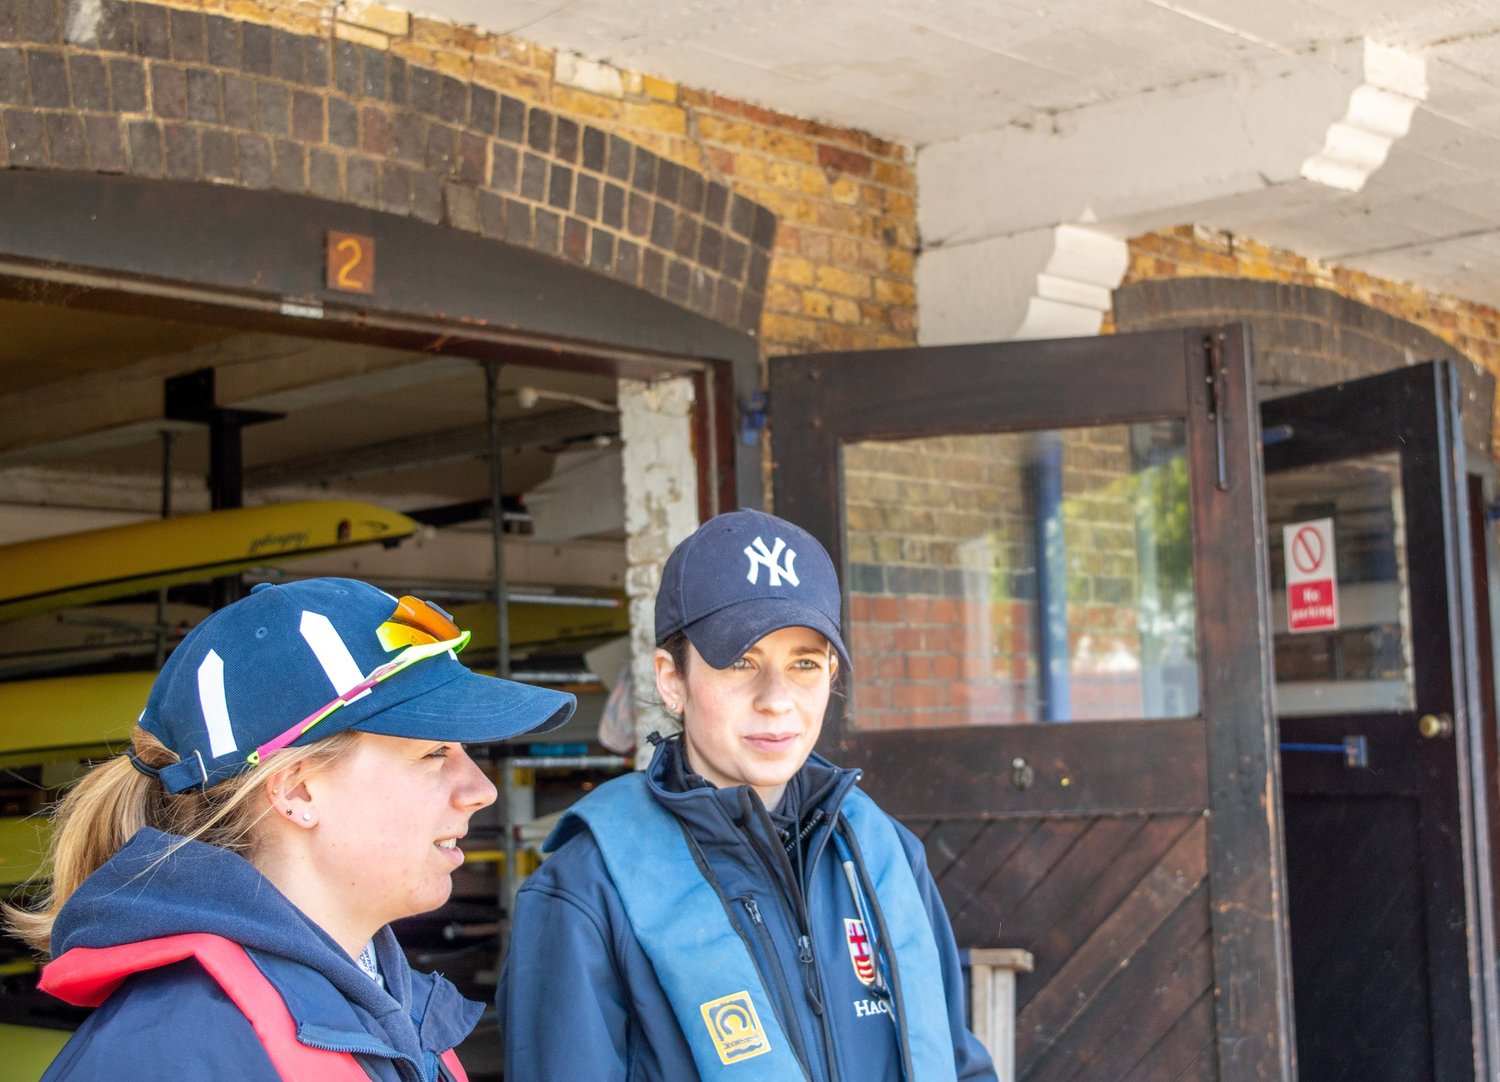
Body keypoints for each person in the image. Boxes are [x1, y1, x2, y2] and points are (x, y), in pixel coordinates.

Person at [8, 577, 575, 1081]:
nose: (481, 789)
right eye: (433, 752)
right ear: (297, 790)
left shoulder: (382, 1003)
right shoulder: (174, 1053)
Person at [499, 509, 997, 1080]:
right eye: (741, 662)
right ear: (671, 679)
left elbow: (958, 1064)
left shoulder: (882, 853)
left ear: (832, 674)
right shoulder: (587, 889)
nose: (777, 700)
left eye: (804, 663)